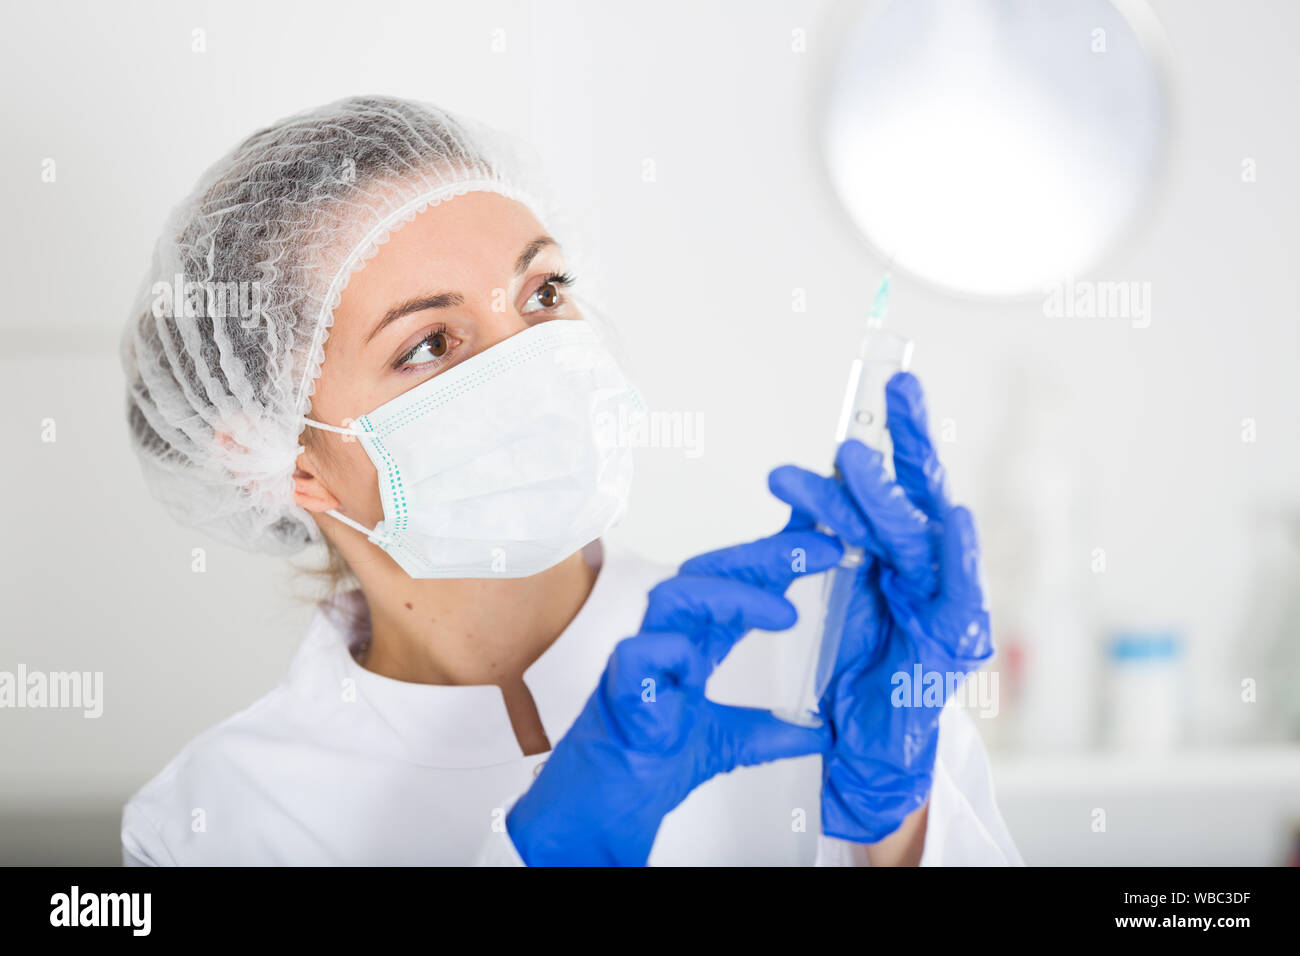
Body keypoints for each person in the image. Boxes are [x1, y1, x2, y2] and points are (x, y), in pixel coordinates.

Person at [119, 95, 1022, 866]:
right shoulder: (218, 819)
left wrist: (893, 836)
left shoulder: (814, 660)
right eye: (430, 344)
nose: (539, 365)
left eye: (543, 293)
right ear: (290, 462)